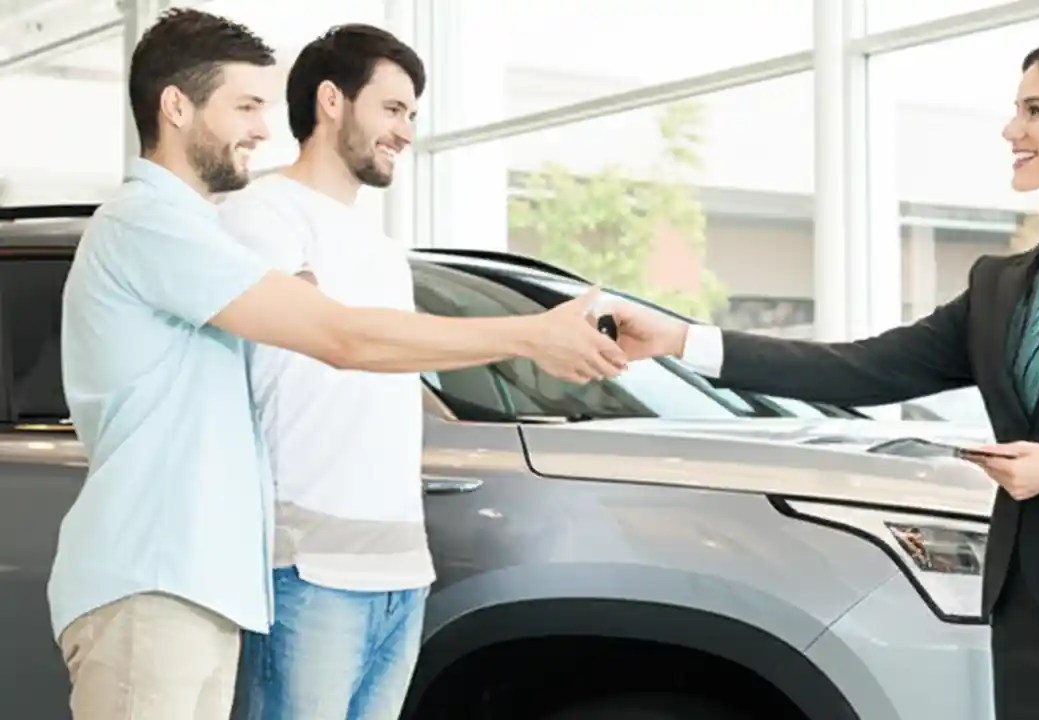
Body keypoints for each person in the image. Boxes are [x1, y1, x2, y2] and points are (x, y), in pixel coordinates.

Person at [610, 36, 1039, 720]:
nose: (1012, 130)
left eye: (1035, 110)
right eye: (1016, 111)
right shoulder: (999, 285)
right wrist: (681, 340)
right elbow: (856, 368)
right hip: (1024, 610)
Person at [50, 9, 625, 720]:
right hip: (159, 574)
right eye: (246, 105)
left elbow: (342, 338)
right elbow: (341, 339)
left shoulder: (200, 230)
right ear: (176, 106)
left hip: (202, 581)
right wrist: (532, 335)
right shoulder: (155, 223)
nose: (263, 128)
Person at [215, 25, 437, 719]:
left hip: (402, 570)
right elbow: (340, 343)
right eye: (393, 109)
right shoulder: (258, 213)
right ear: (332, 101)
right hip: (307, 569)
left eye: (411, 116)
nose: (405, 132)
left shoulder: (383, 251)